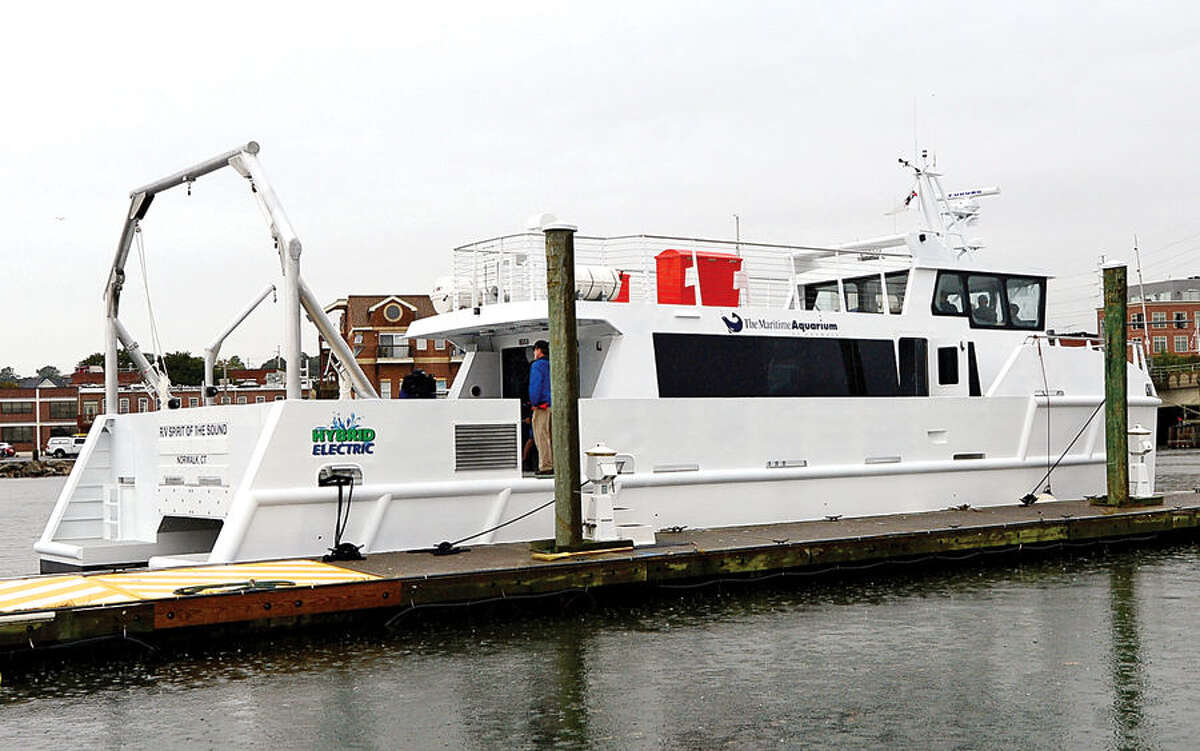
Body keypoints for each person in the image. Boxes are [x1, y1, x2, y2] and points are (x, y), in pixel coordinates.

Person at [529, 340, 553, 476]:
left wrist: (534, 402)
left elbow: (536, 385)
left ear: (538, 350)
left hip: (542, 406)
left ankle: (545, 465)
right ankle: (555, 463)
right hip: (553, 405)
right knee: (552, 436)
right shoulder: (552, 364)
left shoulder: (537, 365)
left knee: (541, 436)